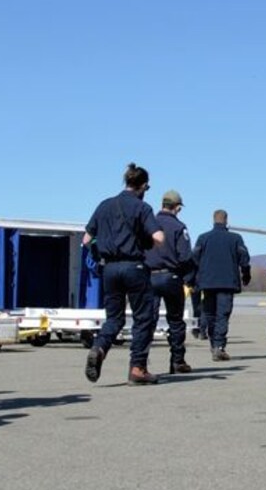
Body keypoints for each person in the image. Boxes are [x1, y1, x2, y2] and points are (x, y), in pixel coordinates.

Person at [83, 163, 165, 384]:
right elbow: (159, 238)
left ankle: (99, 348)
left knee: (114, 318)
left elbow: (86, 239)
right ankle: (138, 367)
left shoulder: (104, 205)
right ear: (143, 186)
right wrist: (145, 240)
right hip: (134, 267)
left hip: (109, 268)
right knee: (144, 318)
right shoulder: (142, 208)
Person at [146, 190, 195, 374]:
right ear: (178, 207)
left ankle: (139, 362)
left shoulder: (149, 224)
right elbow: (185, 256)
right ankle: (177, 360)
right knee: (175, 320)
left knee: (147, 320)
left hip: (149, 276)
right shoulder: (179, 227)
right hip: (170, 276)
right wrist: (188, 278)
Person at [193, 210, 251, 361]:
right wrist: (246, 275)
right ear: (226, 220)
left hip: (208, 283)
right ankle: (219, 346)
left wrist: (193, 278)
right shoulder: (235, 238)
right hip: (227, 283)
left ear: (213, 220)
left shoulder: (203, 238)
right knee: (222, 315)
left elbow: (194, 258)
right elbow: (244, 258)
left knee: (210, 314)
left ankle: (214, 344)